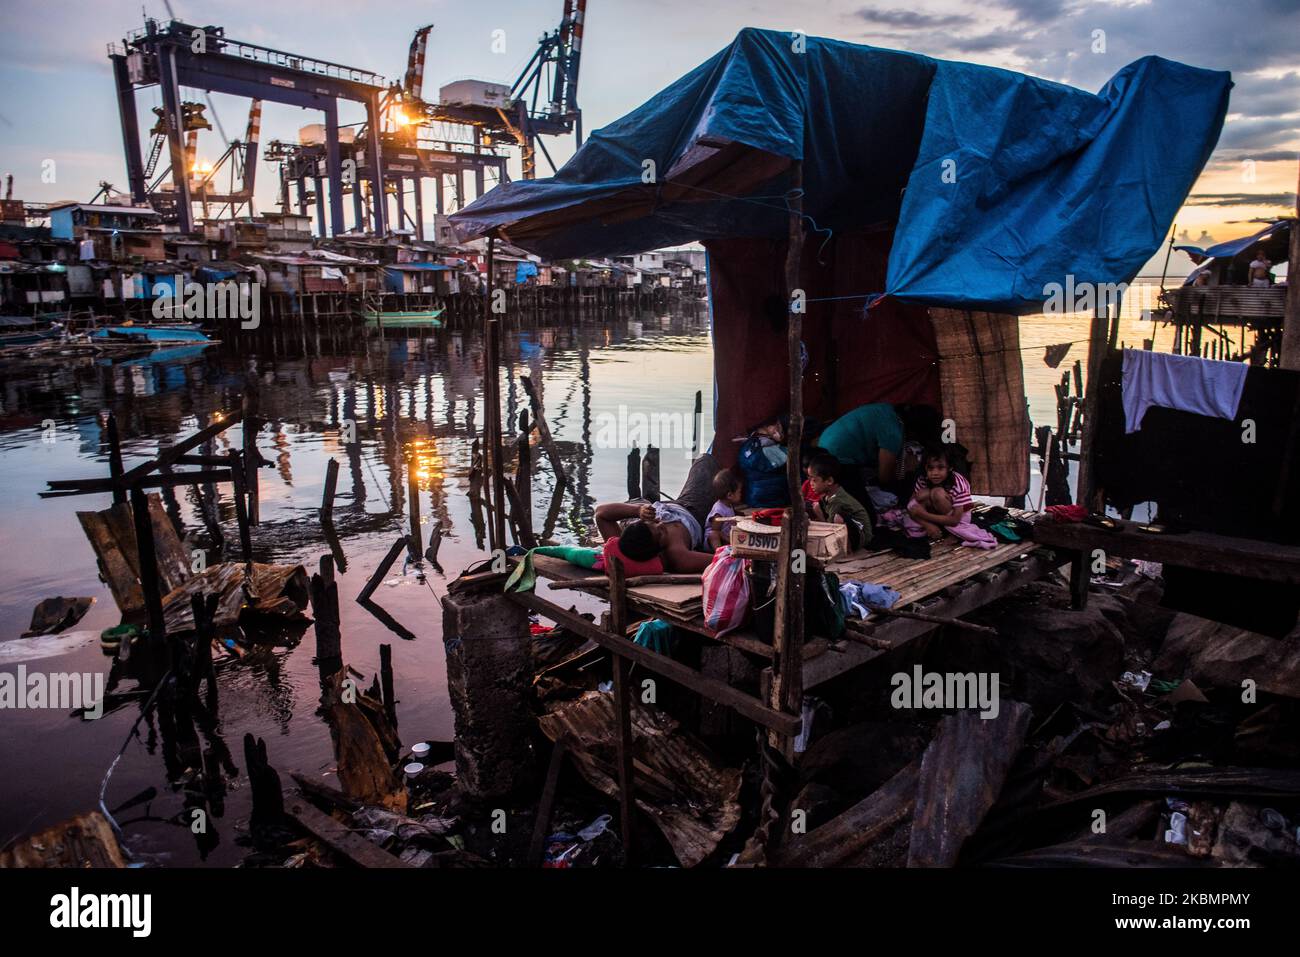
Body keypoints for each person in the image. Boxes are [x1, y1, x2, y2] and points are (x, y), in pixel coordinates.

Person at [903, 446, 996, 548]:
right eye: (930, 468)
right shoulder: (923, 479)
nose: (935, 473)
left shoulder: (958, 483)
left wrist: (924, 515)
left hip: (958, 519)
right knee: (920, 495)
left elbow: (955, 520)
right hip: (936, 515)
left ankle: (954, 533)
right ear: (925, 468)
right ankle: (937, 528)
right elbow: (911, 507)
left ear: (950, 467)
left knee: (937, 492)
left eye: (940, 467)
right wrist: (927, 525)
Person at [594, 500, 713, 573]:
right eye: (660, 534)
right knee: (707, 465)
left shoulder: (629, 543)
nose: (661, 524)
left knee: (703, 463)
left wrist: (638, 510)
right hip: (696, 510)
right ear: (658, 550)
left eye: (654, 522)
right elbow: (722, 559)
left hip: (670, 505)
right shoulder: (677, 555)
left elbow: (600, 513)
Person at [816, 403, 904, 490]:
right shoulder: (893, 432)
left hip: (824, 442)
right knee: (860, 499)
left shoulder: (885, 408)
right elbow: (884, 477)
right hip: (836, 454)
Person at [806, 453, 872, 549]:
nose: (810, 484)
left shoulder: (837, 500)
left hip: (861, 536)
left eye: (814, 480)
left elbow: (833, 527)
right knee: (816, 507)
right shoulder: (828, 496)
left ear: (829, 481)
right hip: (843, 527)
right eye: (809, 479)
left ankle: (844, 548)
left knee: (838, 518)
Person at [706, 469, 744, 550]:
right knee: (713, 535)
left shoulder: (729, 504)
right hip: (715, 540)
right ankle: (719, 552)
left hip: (727, 535)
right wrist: (729, 539)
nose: (741, 494)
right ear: (730, 495)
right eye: (739, 492)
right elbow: (716, 530)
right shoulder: (719, 511)